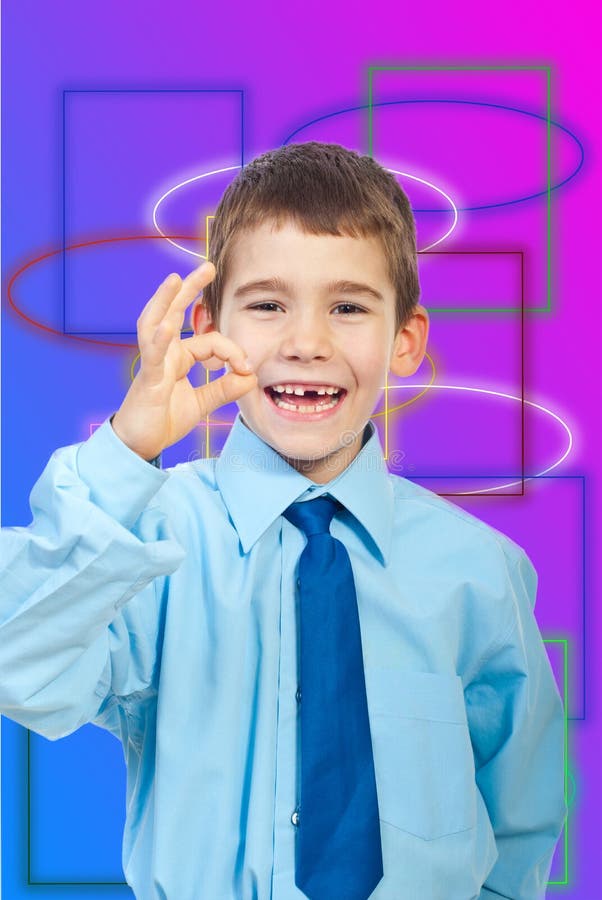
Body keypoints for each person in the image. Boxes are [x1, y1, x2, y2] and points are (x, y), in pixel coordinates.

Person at [0, 141, 567, 899]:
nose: (307, 343)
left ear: (405, 340)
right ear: (209, 326)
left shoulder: (478, 571)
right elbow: (17, 664)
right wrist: (127, 451)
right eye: (268, 305)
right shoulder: (145, 539)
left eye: (349, 307)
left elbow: (521, 821)